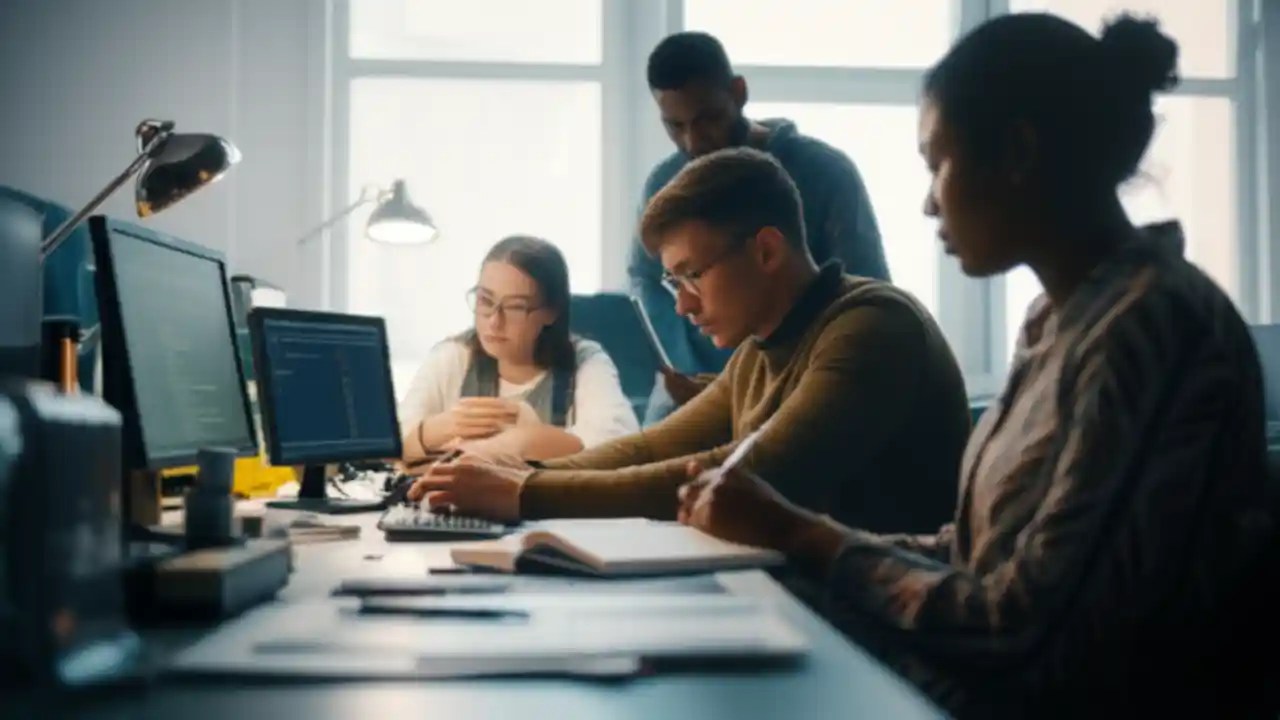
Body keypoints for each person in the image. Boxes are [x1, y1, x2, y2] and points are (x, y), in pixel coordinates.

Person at [674, 14, 1279, 716]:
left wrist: (799, 535)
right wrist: (786, 543)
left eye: (938, 164)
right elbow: (974, 554)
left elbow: (1029, 632)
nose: (930, 201)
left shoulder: (1151, 326)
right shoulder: (1059, 319)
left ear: (1017, 152)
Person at [409, 147, 971, 536]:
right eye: (672, 282)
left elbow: (739, 472)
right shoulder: (759, 350)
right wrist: (513, 480)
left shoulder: (870, 327)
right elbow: (654, 447)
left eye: (691, 275)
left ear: (767, 251)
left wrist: (525, 491)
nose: (680, 304)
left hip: (886, 636)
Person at [632, 31, 891, 422]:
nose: (693, 140)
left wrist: (777, 376)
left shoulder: (826, 173)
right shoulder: (663, 183)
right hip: (690, 385)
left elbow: (866, 288)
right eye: (675, 125)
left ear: (738, 92)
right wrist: (686, 366)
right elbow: (647, 278)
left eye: (708, 118)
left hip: (799, 382)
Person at [398, 235, 638, 463]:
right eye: (485, 301)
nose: (494, 321)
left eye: (515, 307)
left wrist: (525, 439)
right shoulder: (454, 355)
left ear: (550, 312)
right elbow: (390, 444)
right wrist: (442, 427)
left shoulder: (585, 361)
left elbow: (617, 446)